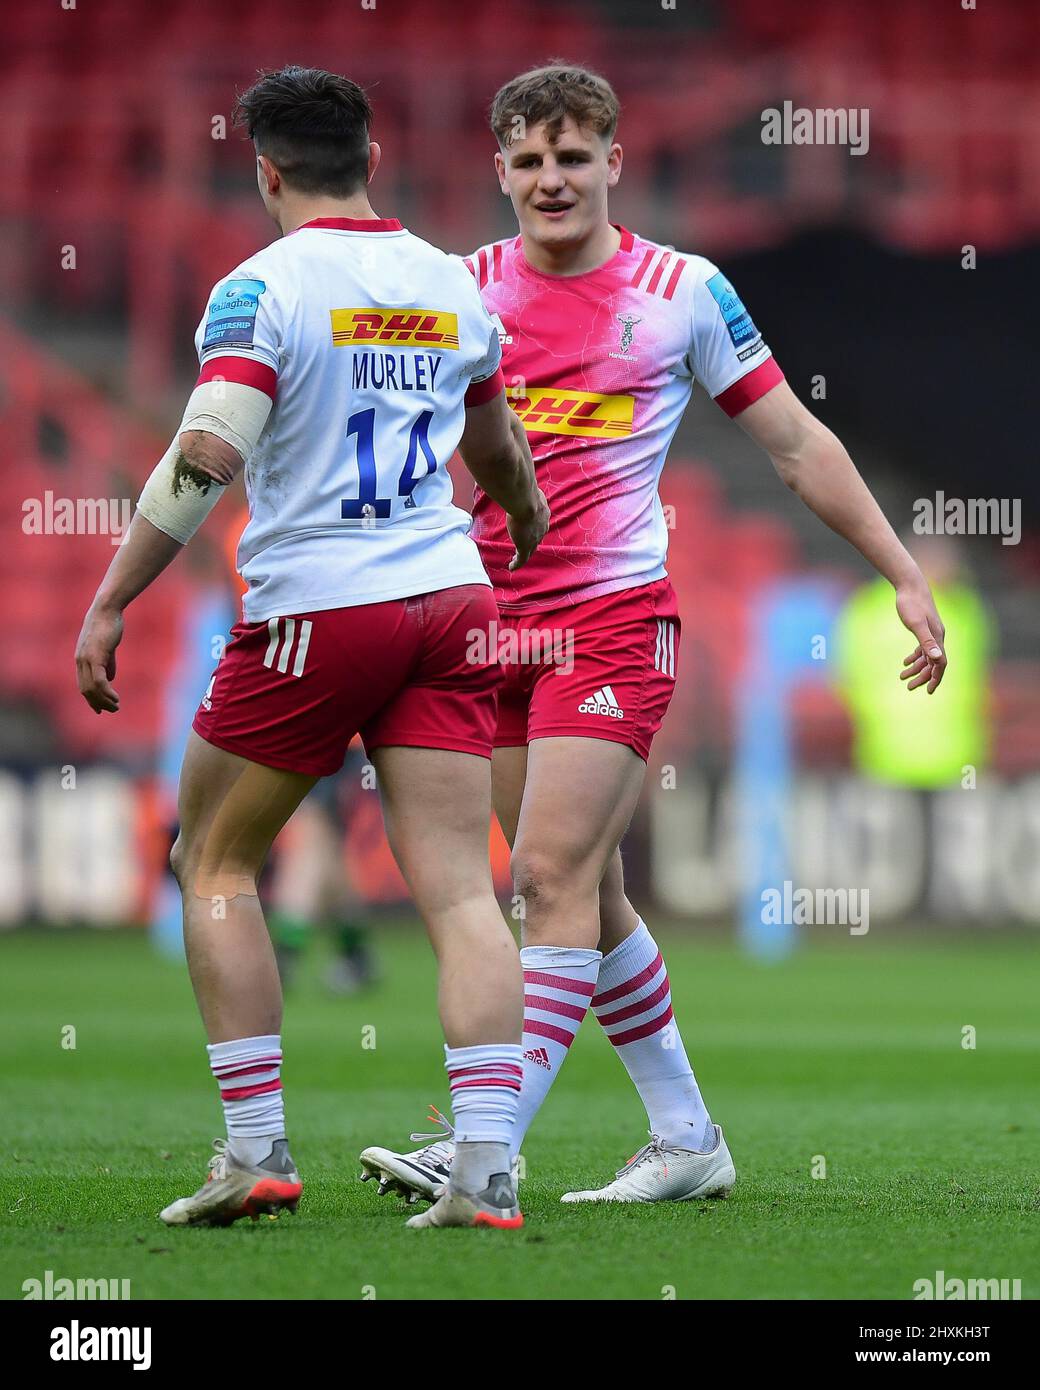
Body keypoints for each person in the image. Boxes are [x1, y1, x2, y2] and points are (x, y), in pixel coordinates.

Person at [359, 62, 947, 1206]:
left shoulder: (681, 290)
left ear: (614, 163)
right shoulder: (458, 291)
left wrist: (902, 570)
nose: (551, 179)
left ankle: (481, 1143)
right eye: (528, 161)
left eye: (572, 157)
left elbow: (792, 443)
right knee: (593, 888)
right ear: (499, 171)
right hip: (491, 633)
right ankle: (686, 1137)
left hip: (613, 620)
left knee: (540, 873)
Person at [74, 65, 548, 1231]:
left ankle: (255, 1150)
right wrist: (526, 521)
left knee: (213, 859)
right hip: (450, 597)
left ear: (266, 172)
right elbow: (495, 447)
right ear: (373, 162)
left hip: (317, 607)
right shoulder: (449, 280)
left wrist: (113, 594)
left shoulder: (258, 287)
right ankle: (485, 1168)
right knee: (456, 890)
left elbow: (208, 450)